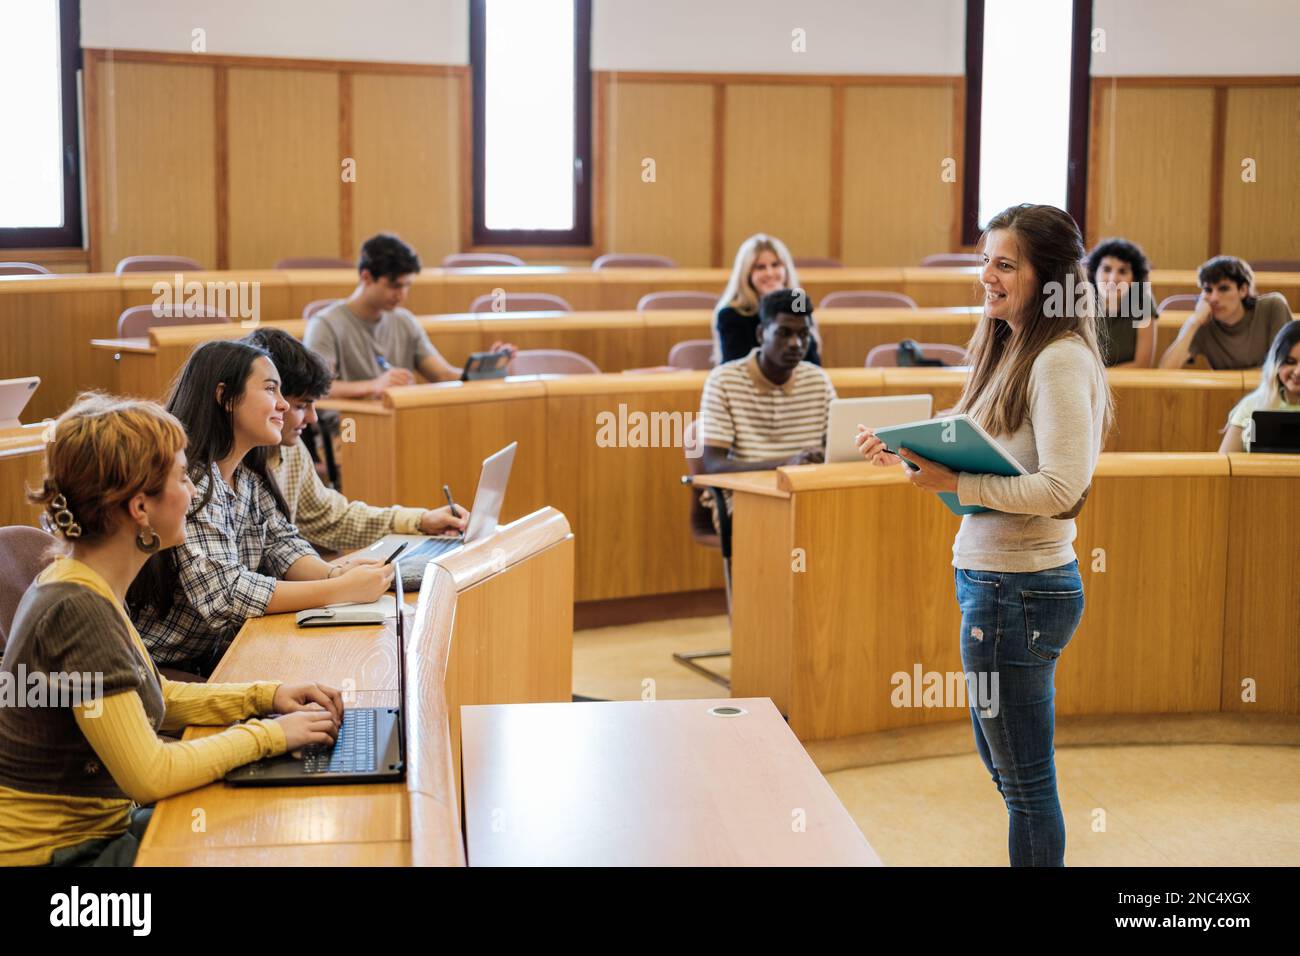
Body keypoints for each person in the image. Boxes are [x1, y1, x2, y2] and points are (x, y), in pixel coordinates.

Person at [857, 204, 1113, 867]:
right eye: (984, 261)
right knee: (1007, 773)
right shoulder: (1009, 344)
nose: (987, 277)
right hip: (992, 583)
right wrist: (902, 446)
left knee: (1026, 788)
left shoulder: (1059, 359)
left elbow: (1061, 490)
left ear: (1048, 276)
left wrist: (958, 486)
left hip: (1019, 590)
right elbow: (980, 432)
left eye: (1005, 264)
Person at [0, 394, 343, 866]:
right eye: (183, 478)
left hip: (100, 833)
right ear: (140, 507)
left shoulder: (82, 580)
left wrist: (267, 697)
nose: (194, 492)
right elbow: (150, 775)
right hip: (62, 858)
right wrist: (272, 736)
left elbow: (154, 693)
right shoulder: (77, 607)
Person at [129, 341, 393, 676]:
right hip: (162, 669)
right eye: (271, 389)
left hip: (211, 654)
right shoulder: (189, 481)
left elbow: (282, 544)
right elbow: (226, 595)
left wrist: (337, 573)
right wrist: (339, 591)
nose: (283, 405)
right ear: (225, 397)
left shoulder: (247, 475)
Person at [241, 327, 467, 553]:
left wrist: (421, 521)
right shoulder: (222, 464)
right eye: (301, 406)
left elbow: (330, 517)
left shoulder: (290, 448)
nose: (313, 418)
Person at [304, 233, 515, 398]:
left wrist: (486, 368)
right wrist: (374, 386)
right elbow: (317, 389)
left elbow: (442, 374)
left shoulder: (404, 321)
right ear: (366, 277)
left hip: (399, 423)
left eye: (407, 286)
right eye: (395, 286)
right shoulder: (326, 324)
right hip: (350, 431)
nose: (402, 295)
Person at [697, 288, 835, 527]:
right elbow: (713, 465)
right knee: (796, 522)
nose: (796, 343)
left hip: (807, 492)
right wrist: (786, 462)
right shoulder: (724, 381)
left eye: (804, 334)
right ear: (761, 334)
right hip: (744, 497)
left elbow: (836, 447)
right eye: (784, 333)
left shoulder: (818, 380)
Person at [1159, 255, 1292, 370]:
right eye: (1208, 290)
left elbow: (1284, 368)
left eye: (1223, 289)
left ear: (1243, 290)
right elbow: (1165, 371)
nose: (1214, 298)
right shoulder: (1203, 324)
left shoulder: (1273, 307)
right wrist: (1193, 322)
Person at [713, 233, 822, 366]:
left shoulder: (798, 304)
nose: (770, 273)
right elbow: (736, 366)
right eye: (760, 267)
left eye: (776, 265)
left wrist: (783, 301)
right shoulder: (731, 313)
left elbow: (812, 362)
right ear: (746, 274)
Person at [1219, 320, 1300, 452]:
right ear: (1276, 363)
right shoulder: (1251, 406)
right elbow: (1225, 465)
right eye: (1290, 362)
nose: (1297, 372)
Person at [1085, 237, 1159, 367]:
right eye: (1106, 269)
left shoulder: (1143, 302)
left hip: (1129, 385)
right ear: (1094, 272)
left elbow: (1143, 365)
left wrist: (1102, 378)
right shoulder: (1081, 301)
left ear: (1134, 279)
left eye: (1123, 271)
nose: (1113, 279)